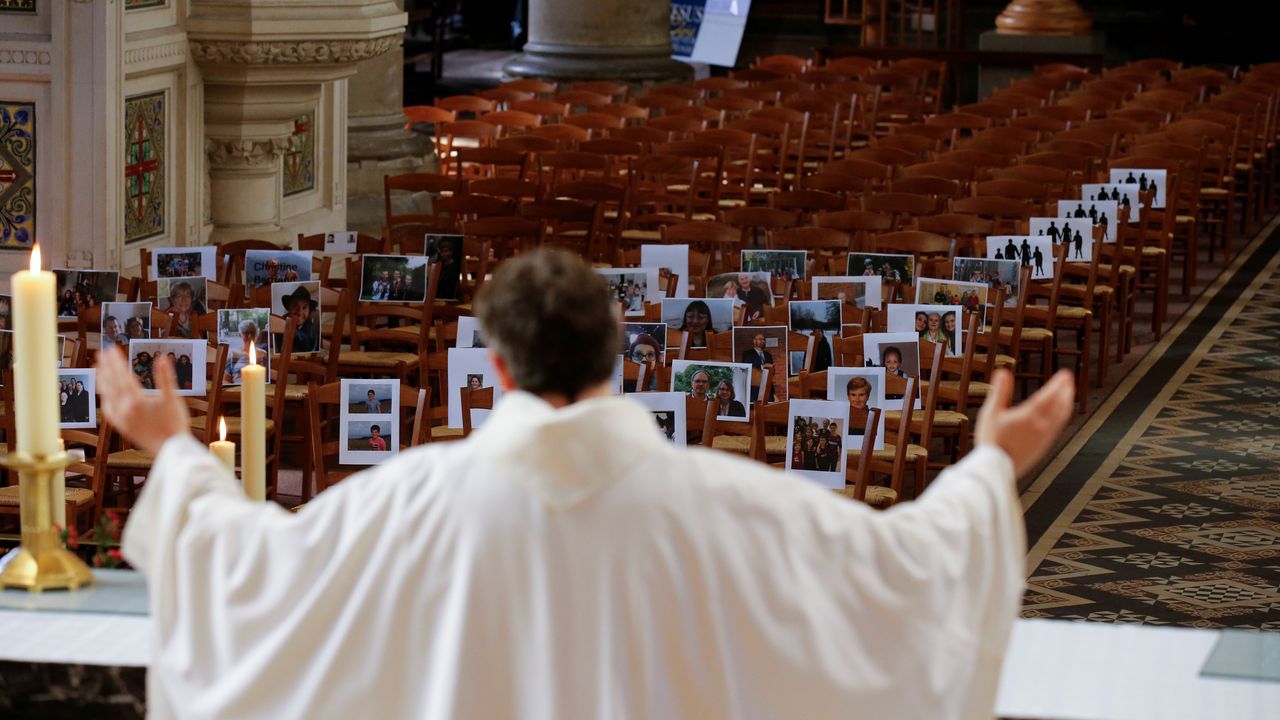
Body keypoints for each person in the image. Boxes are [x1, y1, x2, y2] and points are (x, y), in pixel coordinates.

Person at [96, 247, 1076, 719]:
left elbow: (249, 573)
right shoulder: (737, 503)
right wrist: (990, 463)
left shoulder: (396, 503)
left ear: (500, 372)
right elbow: (905, 572)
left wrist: (173, 449)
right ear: (624, 360)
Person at [281, 284, 320, 353]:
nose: (300, 312)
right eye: (295, 306)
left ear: (309, 311)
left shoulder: (312, 328)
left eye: (304, 307)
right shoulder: (280, 325)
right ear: (289, 309)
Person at [222, 319, 261, 385]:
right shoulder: (233, 354)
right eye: (246, 333)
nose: (249, 336)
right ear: (240, 335)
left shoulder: (263, 354)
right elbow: (225, 381)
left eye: (252, 333)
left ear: (256, 334)